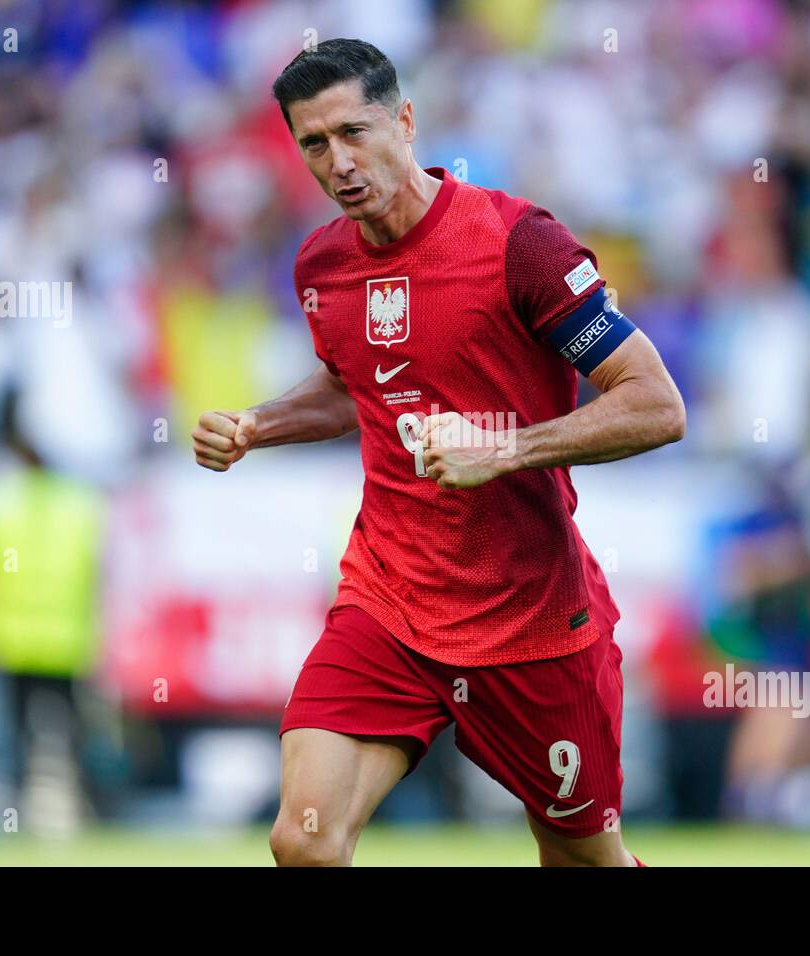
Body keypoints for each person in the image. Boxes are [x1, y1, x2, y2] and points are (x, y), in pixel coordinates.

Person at [191, 39, 685, 866]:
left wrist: (505, 447)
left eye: (355, 131)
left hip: (530, 617)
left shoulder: (519, 243)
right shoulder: (322, 264)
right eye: (314, 143)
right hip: (389, 599)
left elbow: (655, 404)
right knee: (304, 842)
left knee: (583, 860)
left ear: (407, 121)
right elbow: (359, 384)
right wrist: (257, 426)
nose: (339, 161)